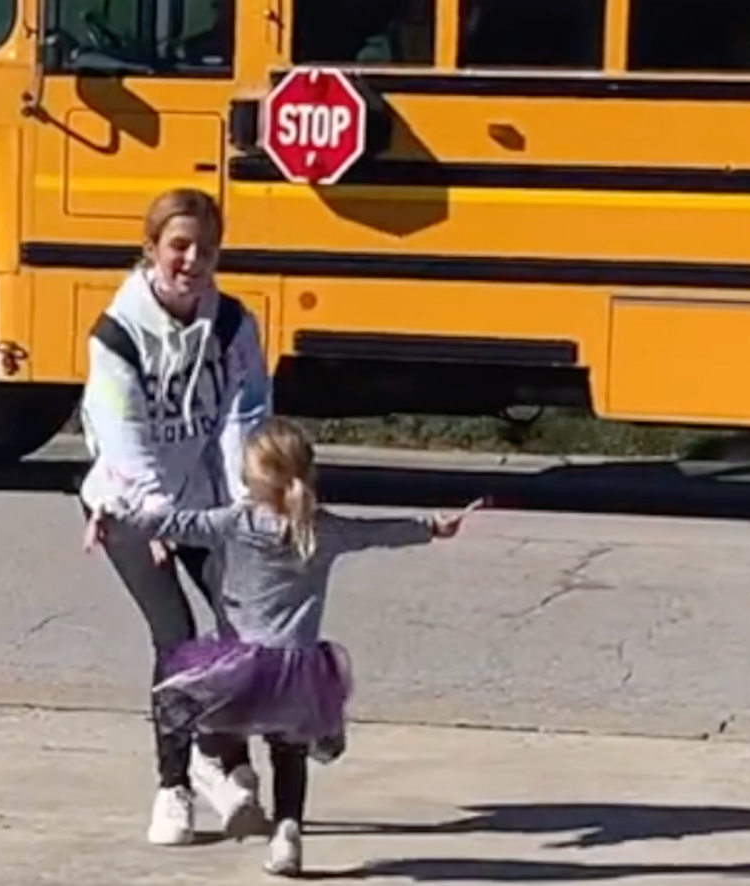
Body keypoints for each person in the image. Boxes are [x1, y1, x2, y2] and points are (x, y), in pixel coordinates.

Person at [85, 416, 479, 876]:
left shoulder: (234, 522)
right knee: (288, 753)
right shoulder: (323, 529)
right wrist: (432, 525)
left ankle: (223, 785)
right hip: (300, 669)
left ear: (250, 479)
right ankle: (288, 831)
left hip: (242, 665)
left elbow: (170, 522)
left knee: (188, 710)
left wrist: (108, 514)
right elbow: (377, 532)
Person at [78, 188, 273, 847]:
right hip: (130, 503)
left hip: (206, 497)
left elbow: (242, 423)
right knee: (179, 636)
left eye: (206, 250)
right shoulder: (116, 335)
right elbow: (123, 439)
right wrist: (160, 523)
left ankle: (224, 757)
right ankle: (174, 788)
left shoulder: (234, 325)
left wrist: (247, 507)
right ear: (152, 249)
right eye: (178, 246)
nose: (191, 261)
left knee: (242, 626)